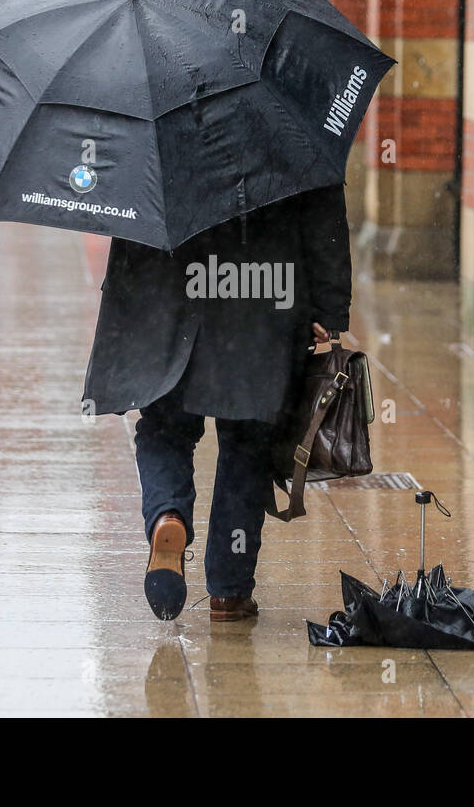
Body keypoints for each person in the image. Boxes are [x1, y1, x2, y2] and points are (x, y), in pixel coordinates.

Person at [83, 184, 352, 621]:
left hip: (168, 285)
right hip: (261, 289)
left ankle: (167, 515)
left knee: (165, 427)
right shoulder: (292, 122)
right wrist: (329, 306)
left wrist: (128, 290)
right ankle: (229, 589)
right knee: (248, 437)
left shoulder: (153, 118)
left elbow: (124, 203)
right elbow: (322, 206)